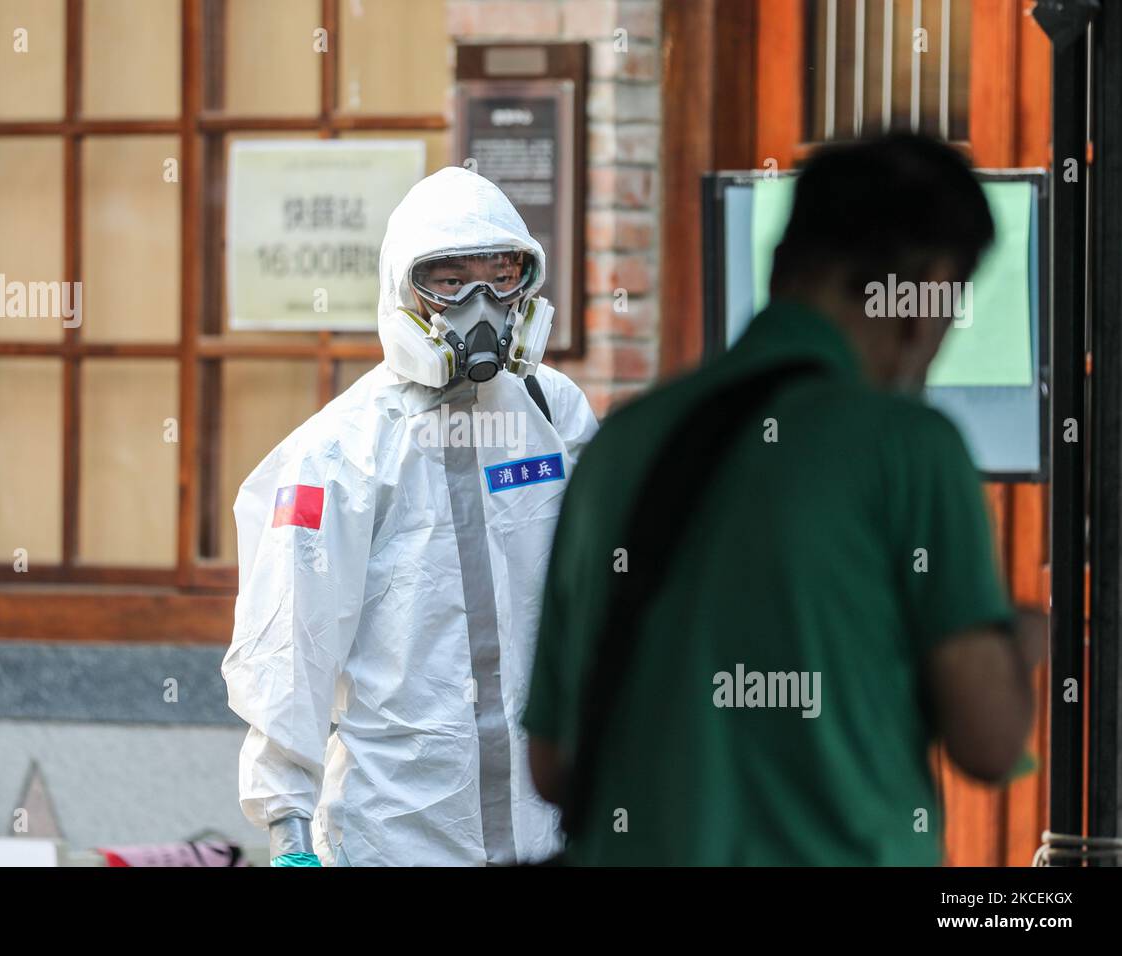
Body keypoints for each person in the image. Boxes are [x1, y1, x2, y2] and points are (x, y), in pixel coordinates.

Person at [523, 134, 1044, 865]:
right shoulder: (909, 447)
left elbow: (550, 764)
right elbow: (989, 743)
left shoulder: (622, 446)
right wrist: (1019, 642)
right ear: (925, 293)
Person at [222, 166, 598, 866]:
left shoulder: (555, 415)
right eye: (451, 281)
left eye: (499, 275)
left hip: (543, 829)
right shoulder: (339, 456)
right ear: (406, 291)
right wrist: (287, 830)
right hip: (399, 835)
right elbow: (289, 656)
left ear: (527, 286)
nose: (479, 305)